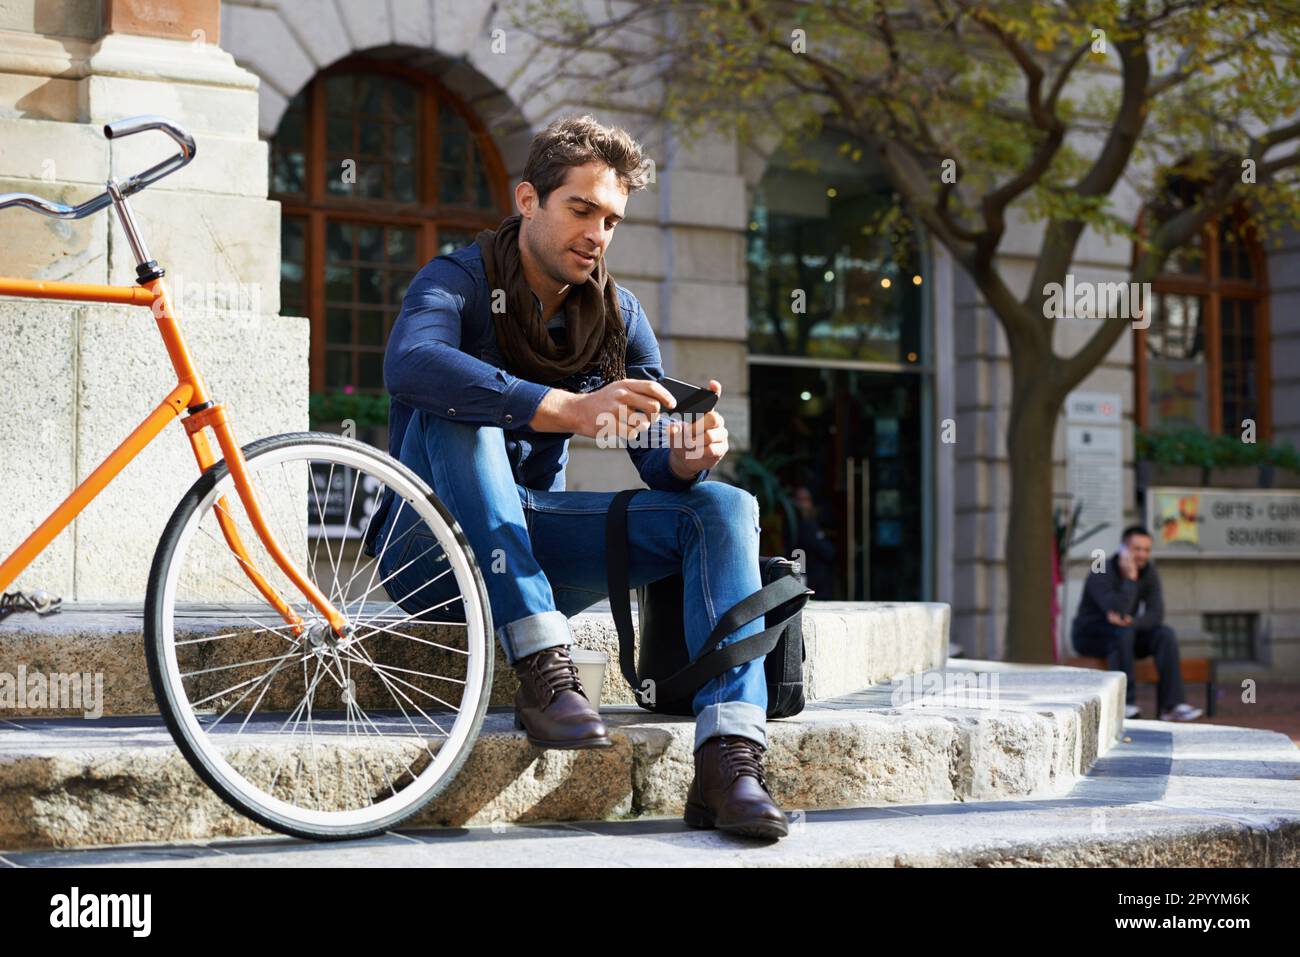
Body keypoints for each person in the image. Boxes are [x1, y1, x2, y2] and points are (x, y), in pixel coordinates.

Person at [366, 114, 788, 840]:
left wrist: (687, 455)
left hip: (533, 538)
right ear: (530, 200)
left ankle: (729, 758)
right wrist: (564, 405)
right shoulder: (457, 281)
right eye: (581, 209)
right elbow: (409, 363)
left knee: (723, 507)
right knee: (456, 404)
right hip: (431, 553)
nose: (596, 233)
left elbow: (653, 455)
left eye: (612, 219)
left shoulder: (617, 319)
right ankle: (545, 670)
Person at [1071, 525, 1203, 721]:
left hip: (1125, 634)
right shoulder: (1101, 569)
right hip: (1090, 635)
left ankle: (1172, 706)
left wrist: (1131, 623)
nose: (1142, 555)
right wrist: (1131, 579)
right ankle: (1126, 703)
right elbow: (1118, 608)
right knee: (1121, 633)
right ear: (1123, 549)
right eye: (1137, 549)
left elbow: (1156, 614)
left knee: (1164, 634)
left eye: (1146, 550)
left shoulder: (1149, 572)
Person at [790, 485, 835, 598]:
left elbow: (829, 552)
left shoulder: (813, 524)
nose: (803, 505)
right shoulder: (792, 526)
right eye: (799, 500)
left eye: (806, 500)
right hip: (800, 584)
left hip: (818, 587)